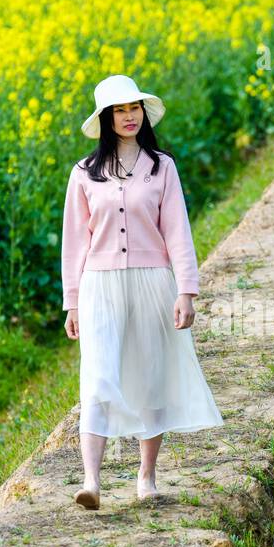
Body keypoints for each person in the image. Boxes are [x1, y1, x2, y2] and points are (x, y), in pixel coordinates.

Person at [60, 74, 224, 509]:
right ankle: (91, 482)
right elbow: (74, 244)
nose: (128, 116)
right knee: (97, 378)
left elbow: (178, 231)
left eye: (133, 108)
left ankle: (146, 476)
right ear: (105, 118)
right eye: (118, 110)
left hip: (153, 281)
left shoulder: (161, 167)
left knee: (150, 376)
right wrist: (71, 303)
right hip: (99, 286)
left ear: (143, 113)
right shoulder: (83, 175)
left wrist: (186, 291)